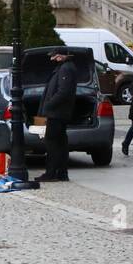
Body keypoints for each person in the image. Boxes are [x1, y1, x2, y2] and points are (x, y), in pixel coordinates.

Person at [37, 48, 78, 183]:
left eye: (54, 57)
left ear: (60, 56)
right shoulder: (65, 67)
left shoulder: (65, 69)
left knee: (53, 143)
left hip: (56, 113)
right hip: (58, 112)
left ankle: (52, 173)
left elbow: (63, 92)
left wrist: (48, 105)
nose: (52, 59)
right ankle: (61, 173)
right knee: (59, 143)